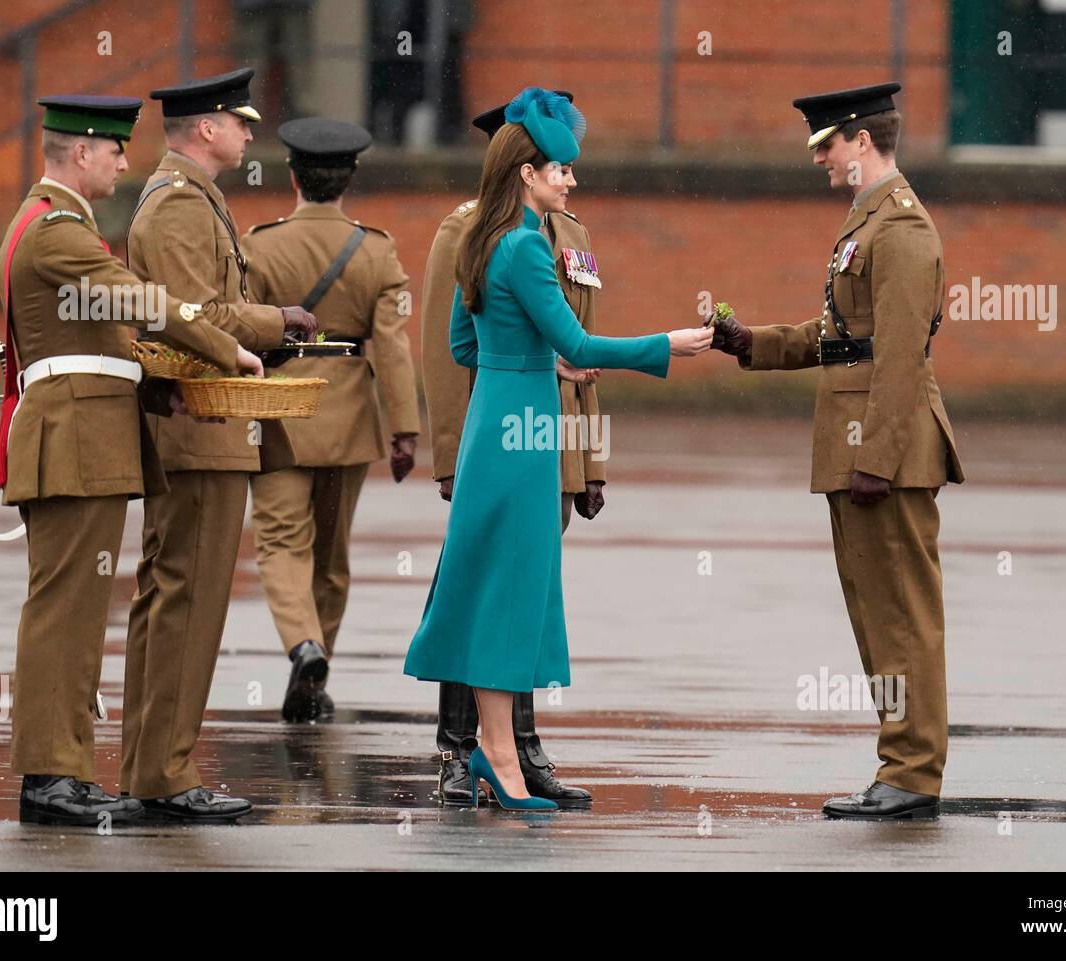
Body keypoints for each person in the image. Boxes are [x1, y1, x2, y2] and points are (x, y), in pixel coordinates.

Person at [404, 87, 712, 810]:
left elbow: (461, 343)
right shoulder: (522, 245)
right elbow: (574, 338)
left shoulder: (484, 240)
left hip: (497, 417)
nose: (570, 179)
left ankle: (500, 756)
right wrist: (664, 344)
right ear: (526, 175)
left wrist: (535, 358)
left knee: (499, 594)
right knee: (513, 595)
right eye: (559, 169)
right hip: (526, 432)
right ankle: (499, 759)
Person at [0, 95, 260, 824]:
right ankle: (51, 776)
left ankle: (64, 772)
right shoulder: (56, 231)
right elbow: (140, 299)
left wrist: (152, 389)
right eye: (112, 149)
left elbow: (97, 336)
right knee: (65, 618)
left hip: (87, 437)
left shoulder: (56, 227)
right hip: (74, 442)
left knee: (76, 616)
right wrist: (223, 344)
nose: (122, 159)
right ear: (81, 152)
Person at [710, 82, 965, 820]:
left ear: (861, 140)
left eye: (827, 145)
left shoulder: (903, 229)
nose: (820, 159)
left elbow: (902, 359)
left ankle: (913, 772)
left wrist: (877, 459)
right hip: (858, 451)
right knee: (874, 617)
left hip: (886, 454)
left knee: (902, 617)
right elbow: (842, 339)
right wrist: (750, 342)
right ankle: (900, 763)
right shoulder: (868, 223)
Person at [119, 68, 318, 822]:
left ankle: (153, 765)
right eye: (240, 121)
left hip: (206, 424)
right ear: (206, 127)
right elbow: (191, 315)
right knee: (187, 601)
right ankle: (164, 772)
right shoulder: (176, 205)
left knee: (176, 598)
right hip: (197, 428)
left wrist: (269, 321)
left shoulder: (194, 197)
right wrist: (274, 322)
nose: (248, 133)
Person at [421, 90, 606, 808]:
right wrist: (449, 458)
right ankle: (458, 746)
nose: (561, 166)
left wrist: (587, 460)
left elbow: (578, 350)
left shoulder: (573, 231)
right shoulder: (463, 230)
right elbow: (448, 357)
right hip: (492, 441)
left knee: (527, 597)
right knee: (472, 590)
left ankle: (522, 747)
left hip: (550, 440)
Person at [241, 117, 420, 722]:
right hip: (347, 412)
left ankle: (302, 645)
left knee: (279, 541)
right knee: (332, 557)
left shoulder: (258, 244)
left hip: (276, 407)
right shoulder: (377, 249)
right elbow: (392, 346)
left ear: (293, 176)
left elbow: (236, 323)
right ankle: (316, 679)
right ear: (348, 180)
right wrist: (404, 429)